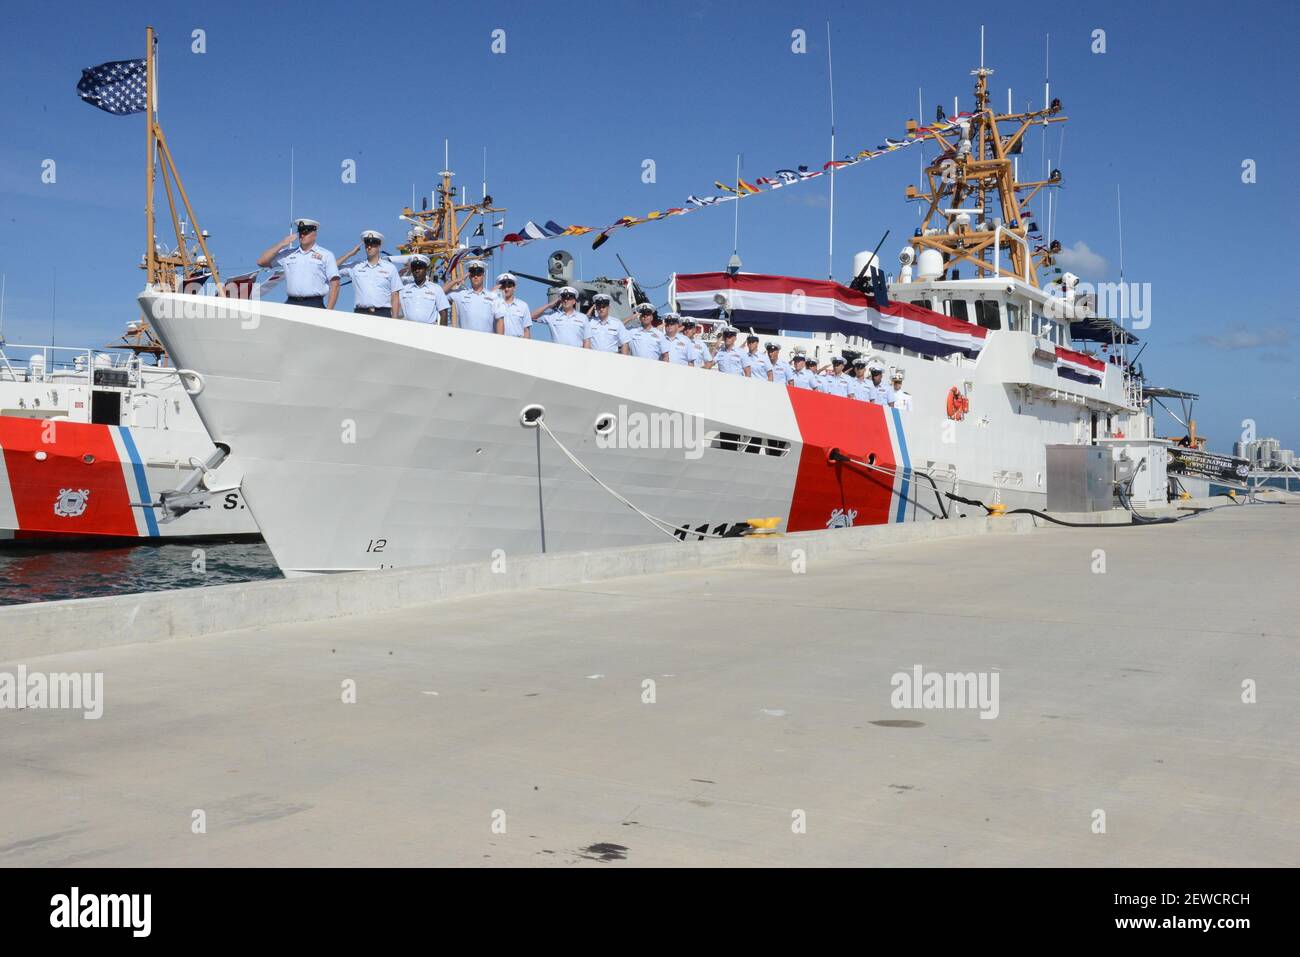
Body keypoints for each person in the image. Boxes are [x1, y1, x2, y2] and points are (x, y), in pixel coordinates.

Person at [257, 218, 340, 308]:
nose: (302, 235)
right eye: (300, 232)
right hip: (291, 303)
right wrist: (281, 243)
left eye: (306, 232)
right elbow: (261, 262)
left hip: (314, 303)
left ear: (314, 234)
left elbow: (335, 284)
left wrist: (328, 312)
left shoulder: (326, 255)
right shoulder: (287, 254)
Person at [337, 229, 402, 316]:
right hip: (361, 313)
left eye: (373, 244)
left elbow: (395, 296)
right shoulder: (356, 266)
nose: (369, 247)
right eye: (367, 244)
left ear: (379, 246)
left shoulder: (390, 268)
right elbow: (332, 268)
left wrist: (395, 321)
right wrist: (349, 254)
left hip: (383, 314)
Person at [445, 259, 499, 332]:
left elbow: (499, 320)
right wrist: (456, 280)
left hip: (487, 340)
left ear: (483, 276)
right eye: (473, 274)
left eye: (479, 274)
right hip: (465, 339)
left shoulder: (493, 297)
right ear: (469, 276)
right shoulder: (460, 294)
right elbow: (439, 293)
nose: (476, 276)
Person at [396, 254, 451, 324]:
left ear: (426, 269)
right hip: (408, 329)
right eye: (414, 268)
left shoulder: (436, 289)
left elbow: (443, 313)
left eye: (420, 268)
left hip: (429, 330)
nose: (417, 270)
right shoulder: (404, 289)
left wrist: (442, 333)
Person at [491, 273, 531, 337]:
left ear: (514, 288)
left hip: (517, 343)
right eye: (503, 287)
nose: (506, 289)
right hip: (499, 342)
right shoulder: (493, 304)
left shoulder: (523, 306)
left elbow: (526, 330)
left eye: (509, 286)